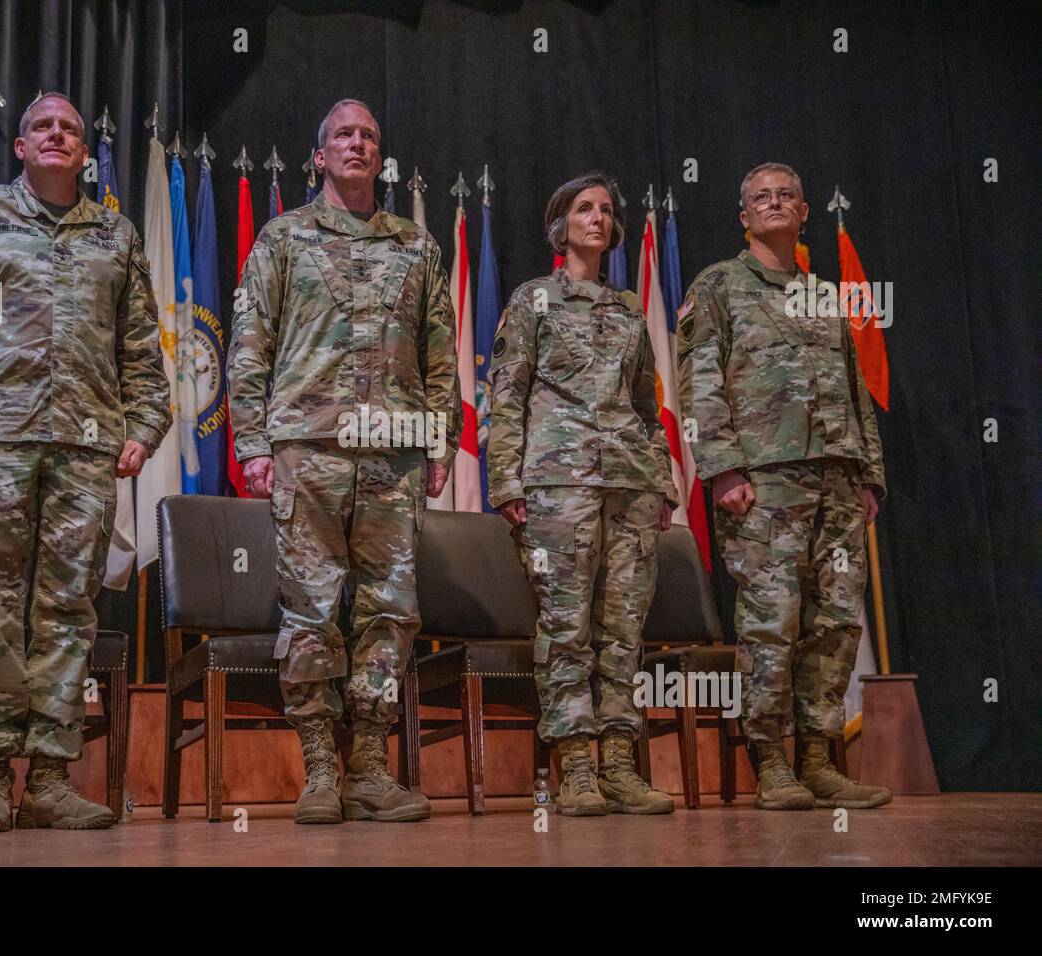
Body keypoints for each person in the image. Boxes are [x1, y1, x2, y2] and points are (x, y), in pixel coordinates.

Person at [0, 92, 172, 831]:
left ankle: (50, 778)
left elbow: (143, 353)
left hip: (86, 452)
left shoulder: (115, 236)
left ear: (86, 152)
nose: (57, 135)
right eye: (42, 127)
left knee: (65, 612)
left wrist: (144, 427)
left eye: (71, 129)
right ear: (19, 146)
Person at [228, 98, 461, 824]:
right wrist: (251, 442)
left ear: (378, 155)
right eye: (342, 136)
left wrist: (438, 440)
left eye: (368, 135)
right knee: (311, 610)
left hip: (393, 452)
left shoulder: (416, 246)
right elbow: (249, 346)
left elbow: (441, 355)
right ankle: (319, 769)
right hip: (310, 447)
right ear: (319, 156)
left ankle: (368, 762)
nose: (357, 144)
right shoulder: (283, 238)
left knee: (390, 616)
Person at [676, 162, 891, 810]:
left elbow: (855, 389)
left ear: (803, 213)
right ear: (744, 218)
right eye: (759, 198)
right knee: (773, 623)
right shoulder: (719, 287)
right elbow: (698, 382)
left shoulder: (826, 296)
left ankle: (820, 759)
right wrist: (721, 469)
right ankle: (771, 763)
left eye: (785, 196)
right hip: (764, 483)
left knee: (833, 625)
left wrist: (869, 474)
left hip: (838, 481)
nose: (773, 204)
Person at [488, 173, 679, 816]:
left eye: (605, 210)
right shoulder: (533, 300)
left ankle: (621, 763)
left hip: (632, 484)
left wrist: (665, 480)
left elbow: (649, 409)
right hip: (555, 488)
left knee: (623, 632)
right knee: (565, 628)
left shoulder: (628, 310)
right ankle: (576, 766)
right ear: (559, 223)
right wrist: (506, 482)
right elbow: (506, 395)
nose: (596, 218)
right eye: (582, 208)